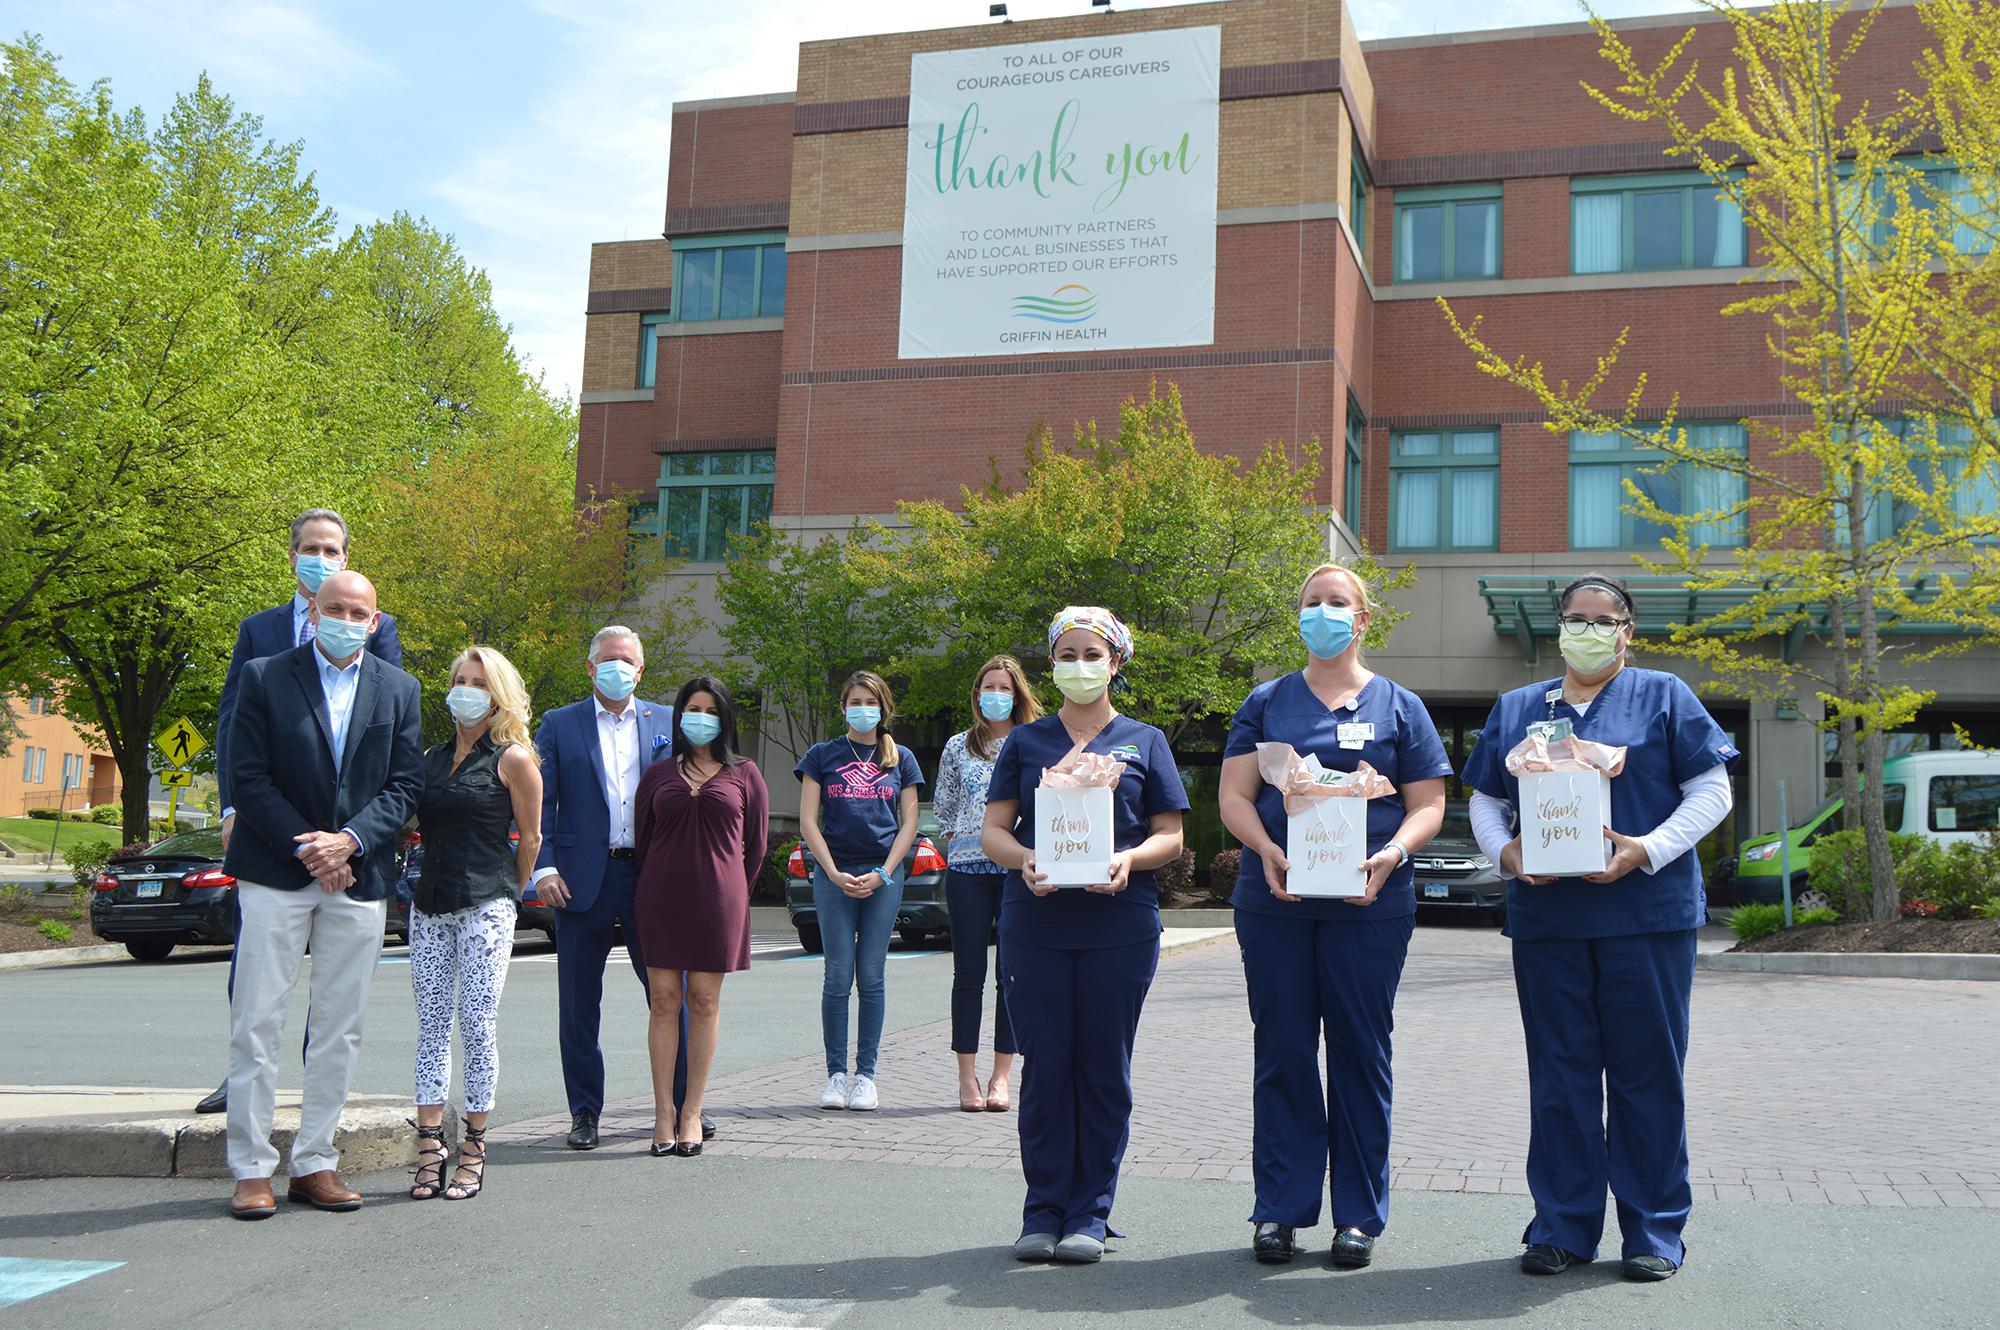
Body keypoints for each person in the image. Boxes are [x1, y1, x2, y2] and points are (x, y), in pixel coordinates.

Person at [1462, 573, 1738, 1283]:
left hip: (1645, 918)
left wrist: (1646, 849)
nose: (1586, 629)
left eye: (1602, 619)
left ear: (1627, 632)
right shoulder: (1521, 707)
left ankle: (1653, 1232)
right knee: (1561, 1076)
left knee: (1648, 1074)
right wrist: (1505, 852)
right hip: (1549, 922)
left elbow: (1713, 791)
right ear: (1558, 627)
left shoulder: (1666, 697)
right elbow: (1488, 799)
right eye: (1574, 618)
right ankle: (1562, 1226)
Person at [1217, 563, 1452, 1268]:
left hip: (1369, 904)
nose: (1323, 612)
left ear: (1363, 619)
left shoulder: (1400, 706)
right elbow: (1233, 796)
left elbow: (1429, 805)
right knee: (1283, 1049)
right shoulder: (1266, 701)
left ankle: (1358, 1215)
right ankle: (1280, 1211)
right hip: (1276, 901)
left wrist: (1394, 853)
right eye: (1312, 603)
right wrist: (1262, 847)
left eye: (1337, 603)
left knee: (1359, 1050)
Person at [981, 607, 1189, 1265]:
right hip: (1034, 924)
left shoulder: (1145, 741)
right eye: (1066, 654)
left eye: (1091, 654)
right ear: (1051, 664)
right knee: (1045, 1067)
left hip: (1119, 929)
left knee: (1102, 1069)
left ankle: (1090, 1215)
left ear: (1116, 663)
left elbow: (1172, 835)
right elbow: (992, 833)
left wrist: (1131, 859)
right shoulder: (1025, 743)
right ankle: (1041, 1211)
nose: (1079, 665)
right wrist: (1024, 860)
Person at [219, 570, 423, 1219]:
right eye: (332, 607)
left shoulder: (400, 688)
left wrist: (351, 842)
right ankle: (251, 1167)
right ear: (312, 611)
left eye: (356, 610)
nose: (343, 617)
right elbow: (245, 776)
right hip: (278, 872)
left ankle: (315, 1160)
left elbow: (405, 783)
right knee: (258, 1022)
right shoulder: (265, 675)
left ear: (373, 619)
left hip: (357, 877)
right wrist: (310, 847)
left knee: (339, 1028)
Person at [199, 507, 403, 1116]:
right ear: (292, 556)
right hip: (268, 829)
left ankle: (317, 1094)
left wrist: (345, 841)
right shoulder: (259, 633)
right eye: (310, 548)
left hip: (346, 840)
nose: (322, 559)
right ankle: (240, 1085)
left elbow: (385, 740)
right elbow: (234, 722)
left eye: (332, 550)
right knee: (257, 986)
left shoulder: (378, 629)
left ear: (347, 557)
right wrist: (234, 803)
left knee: (339, 1003)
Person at [532, 626, 707, 1150]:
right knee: (579, 1004)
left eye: (627, 661)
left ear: (641, 669)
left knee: (667, 996)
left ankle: (683, 1107)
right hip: (580, 881)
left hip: (652, 878)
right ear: (590, 667)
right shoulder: (559, 725)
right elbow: (540, 802)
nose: (618, 668)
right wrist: (543, 867)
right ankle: (585, 1112)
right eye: (608, 660)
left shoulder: (667, 722)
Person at [407, 646, 542, 1201]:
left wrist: (507, 891)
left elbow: (530, 839)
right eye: (460, 680)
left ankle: (475, 1147)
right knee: (432, 1025)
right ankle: (430, 1145)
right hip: (429, 905)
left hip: (487, 902)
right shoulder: (429, 758)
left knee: (477, 1022)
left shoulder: (513, 760)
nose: (466, 690)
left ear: (498, 695)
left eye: (478, 683)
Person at [634, 676, 769, 1157]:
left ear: (725, 718)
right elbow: (643, 843)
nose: (702, 717)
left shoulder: (747, 774)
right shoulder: (656, 775)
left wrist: (730, 889)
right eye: (694, 708)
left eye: (712, 710)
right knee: (664, 1001)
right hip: (660, 899)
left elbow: (755, 848)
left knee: (704, 1002)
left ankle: (692, 1111)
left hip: (718, 902)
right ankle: (663, 1114)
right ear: (679, 713)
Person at [795, 671, 924, 1113]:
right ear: (843, 706)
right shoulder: (821, 755)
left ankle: (866, 1076)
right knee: (836, 976)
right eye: (854, 700)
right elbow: (809, 821)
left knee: (871, 976)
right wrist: (829, 871)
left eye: (870, 701)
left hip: (883, 878)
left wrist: (885, 873)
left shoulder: (901, 757)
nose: (862, 707)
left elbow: (910, 823)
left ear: (883, 707)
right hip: (834, 877)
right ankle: (835, 1074)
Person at [934, 655, 1040, 1112]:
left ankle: (1001, 1077)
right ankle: (966, 1077)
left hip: (1017, 869)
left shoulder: (1033, 741)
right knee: (968, 975)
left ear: (1017, 694)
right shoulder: (959, 745)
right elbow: (944, 803)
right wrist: (963, 836)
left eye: (1003, 687)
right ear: (977, 694)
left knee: (1010, 976)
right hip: (966, 871)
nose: (994, 695)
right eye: (987, 687)